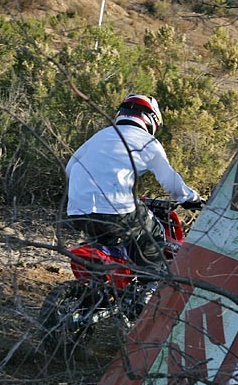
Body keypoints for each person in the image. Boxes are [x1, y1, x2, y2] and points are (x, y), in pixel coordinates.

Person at [65, 93, 202, 270]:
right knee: (153, 236)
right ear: (151, 119)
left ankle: (108, 279)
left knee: (107, 238)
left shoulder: (100, 136)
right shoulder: (147, 142)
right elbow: (170, 181)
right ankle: (150, 283)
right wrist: (191, 199)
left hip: (77, 210)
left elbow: (70, 169)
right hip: (115, 209)